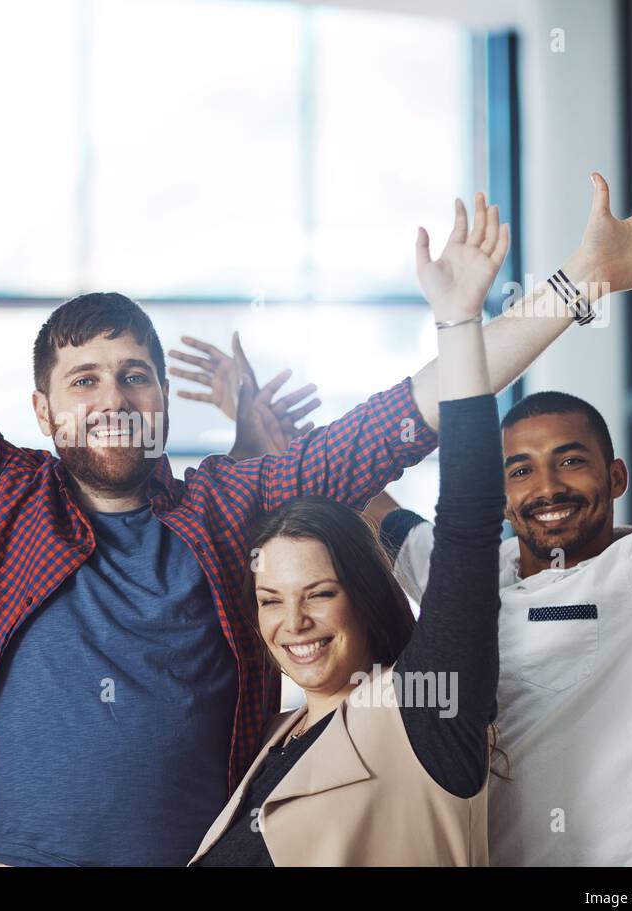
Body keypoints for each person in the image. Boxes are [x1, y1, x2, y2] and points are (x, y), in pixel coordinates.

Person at [0, 0, 632, 866]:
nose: (112, 396)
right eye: (84, 379)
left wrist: (581, 285)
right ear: (44, 410)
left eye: (134, 375)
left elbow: (407, 415)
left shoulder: (232, 508)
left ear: (161, 402)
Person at [192, 195, 507, 865]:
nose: (294, 622)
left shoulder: (423, 711)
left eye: (319, 593)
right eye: (271, 600)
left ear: (365, 592)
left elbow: (469, 527)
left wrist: (457, 323)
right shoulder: (276, 740)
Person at [371, 391, 632, 866]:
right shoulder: (467, 573)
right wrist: (275, 449)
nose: (547, 487)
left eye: (570, 461)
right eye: (521, 471)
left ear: (616, 477)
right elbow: (387, 519)